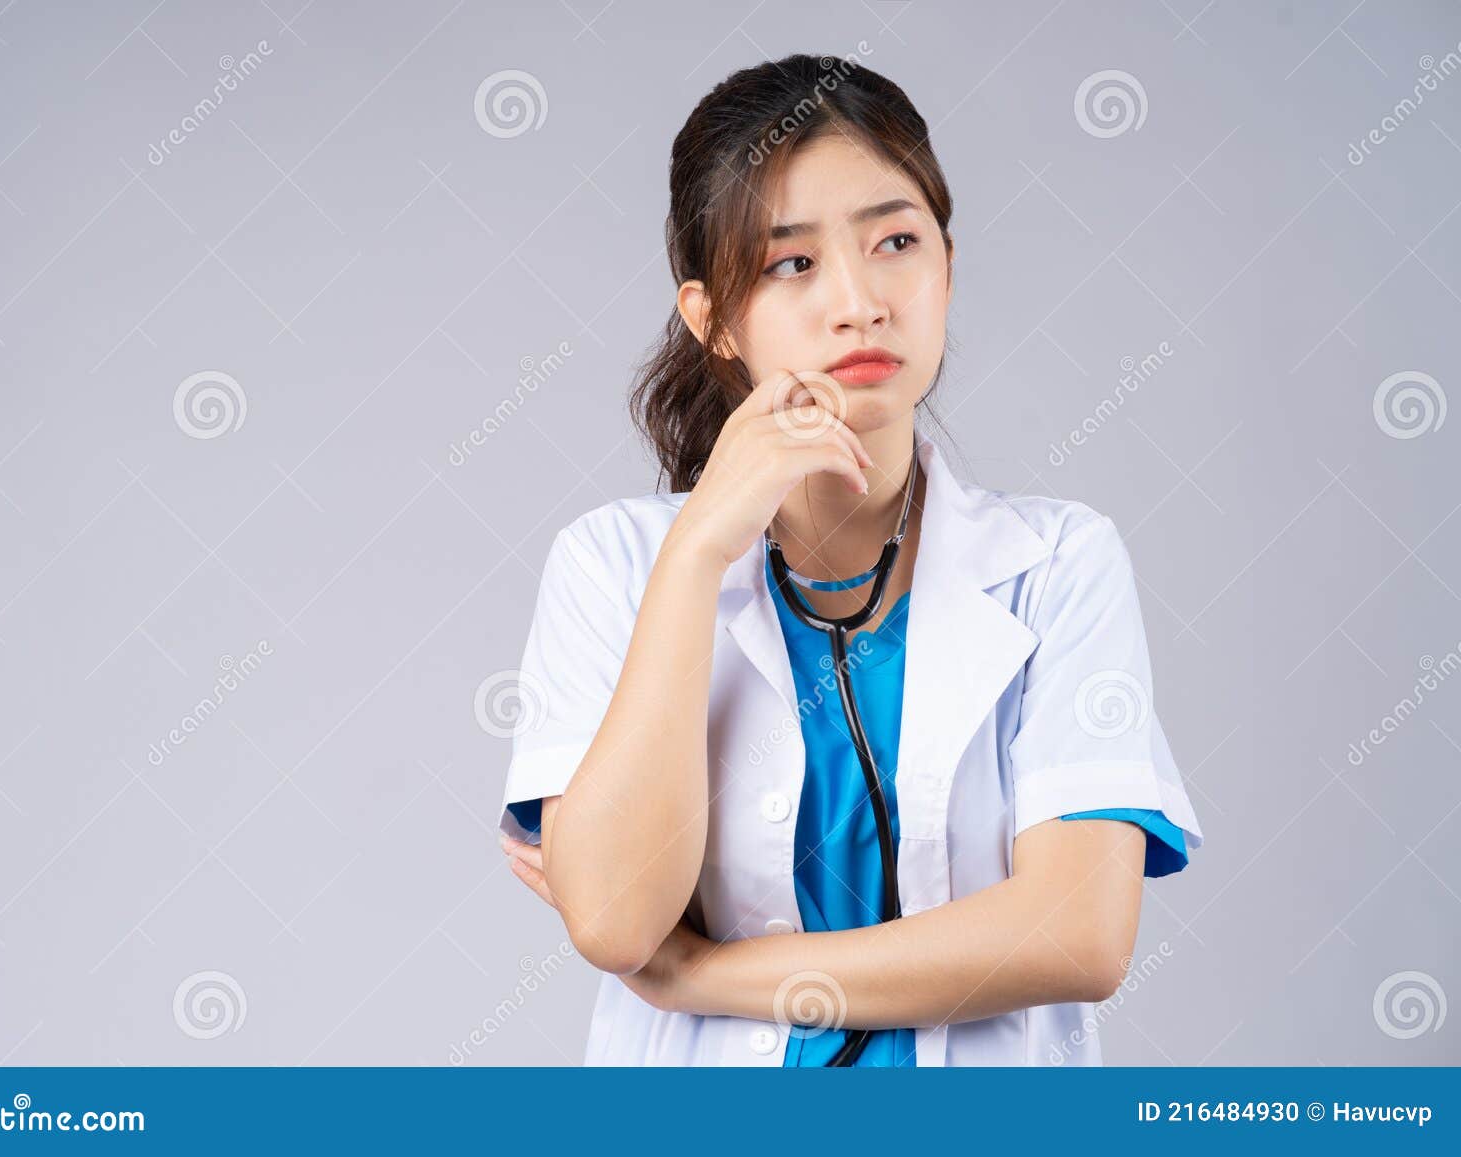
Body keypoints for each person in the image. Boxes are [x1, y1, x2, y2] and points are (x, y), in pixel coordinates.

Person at [495, 53, 1203, 1066]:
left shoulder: (1056, 562)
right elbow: (613, 918)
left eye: (896, 243)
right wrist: (698, 553)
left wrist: (697, 974)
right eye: (792, 264)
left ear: (946, 268)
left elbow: (1077, 934)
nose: (859, 301)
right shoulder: (615, 563)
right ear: (712, 322)